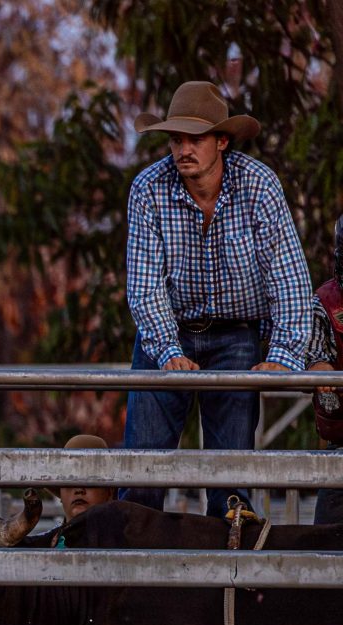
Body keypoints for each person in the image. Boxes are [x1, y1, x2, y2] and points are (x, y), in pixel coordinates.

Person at [120, 81, 312, 517]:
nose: (183, 149)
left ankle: (229, 553)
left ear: (222, 141)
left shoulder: (258, 185)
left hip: (236, 334)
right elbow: (145, 285)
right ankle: (131, 551)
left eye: (195, 138)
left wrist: (282, 357)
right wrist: (168, 351)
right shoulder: (148, 188)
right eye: (176, 139)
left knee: (231, 481)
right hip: (168, 330)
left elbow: (288, 278)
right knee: (141, 470)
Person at [306, 215, 343, 525]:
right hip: (341, 439)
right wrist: (319, 365)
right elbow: (312, 351)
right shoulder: (325, 301)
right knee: (326, 534)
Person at [55, 434, 115, 524]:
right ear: (60, 491)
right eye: (70, 479)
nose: (79, 490)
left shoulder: (124, 532)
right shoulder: (49, 535)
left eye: (89, 479)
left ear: (109, 492)